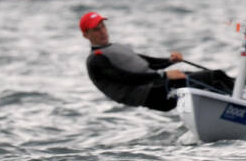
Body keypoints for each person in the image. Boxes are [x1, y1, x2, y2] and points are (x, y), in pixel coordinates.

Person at [80, 11, 234, 112]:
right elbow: (127, 78)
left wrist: (170, 61)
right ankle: (240, 105)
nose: (102, 32)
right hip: (152, 94)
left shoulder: (114, 47)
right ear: (86, 35)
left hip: (159, 85)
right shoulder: (96, 60)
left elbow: (146, 62)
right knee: (214, 77)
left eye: (103, 27)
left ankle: (241, 98)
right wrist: (164, 75)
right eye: (96, 29)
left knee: (214, 77)